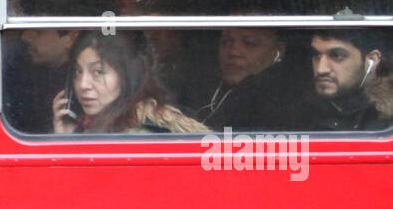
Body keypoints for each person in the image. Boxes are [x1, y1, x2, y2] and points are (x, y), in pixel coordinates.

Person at [52, 33, 207, 135]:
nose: (83, 85)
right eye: (78, 72)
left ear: (126, 78)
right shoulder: (87, 127)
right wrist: (65, 138)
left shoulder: (139, 134)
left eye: (98, 72)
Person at [191, 26, 292, 131]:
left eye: (249, 43)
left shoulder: (278, 107)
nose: (233, 52)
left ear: (277, 52)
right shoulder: (200, 90)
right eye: (226, 42)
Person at [302, 28, 393, 131]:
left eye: (337, 55)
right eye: (316, 55)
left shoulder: (386, 125)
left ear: (372, 60)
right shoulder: (301, 111)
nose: (321, 69)